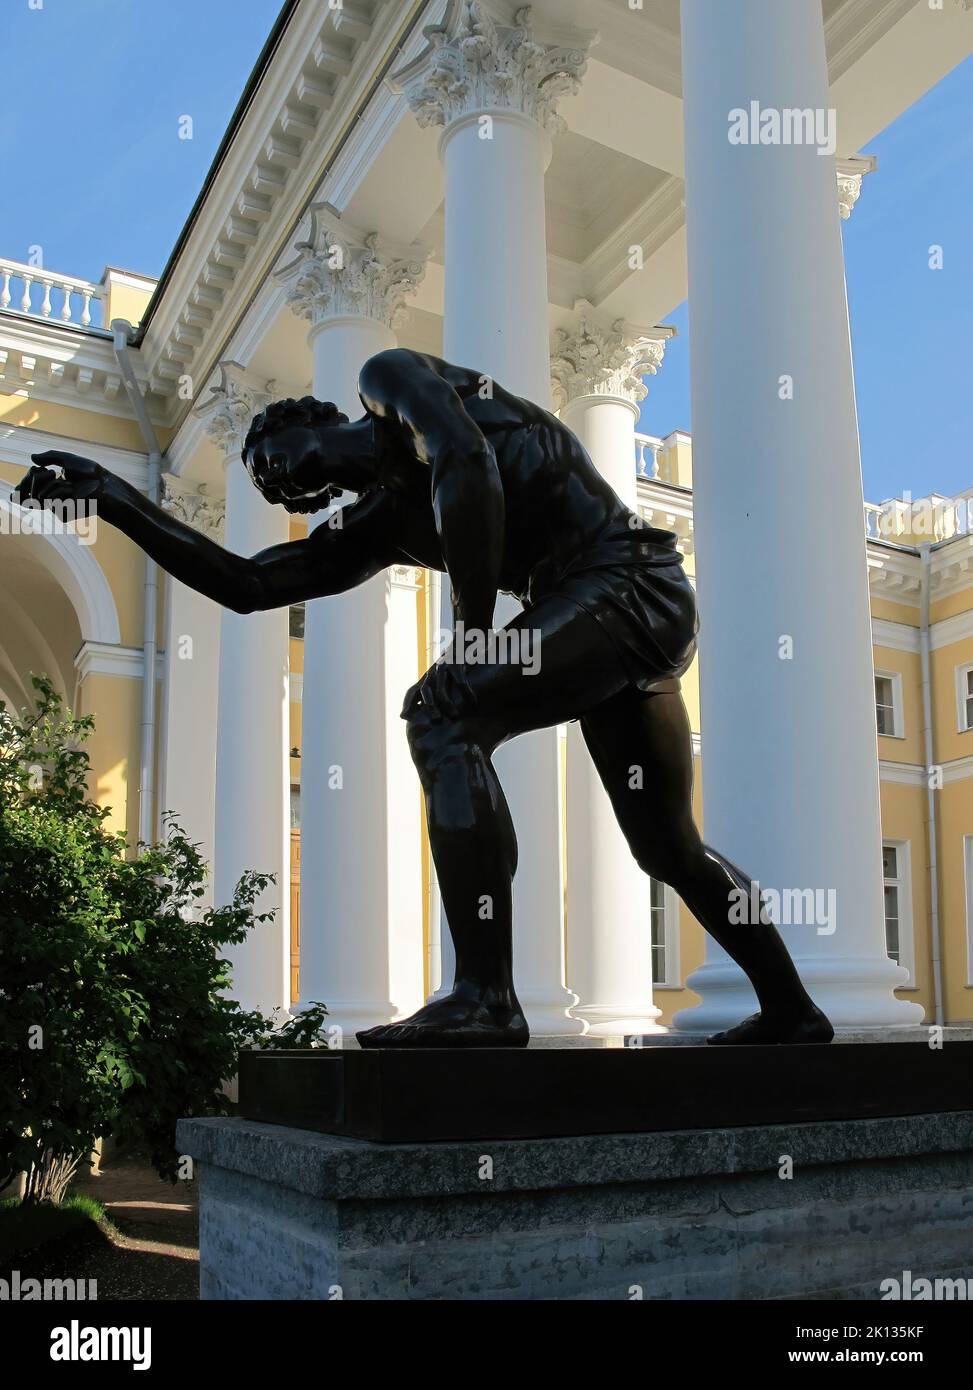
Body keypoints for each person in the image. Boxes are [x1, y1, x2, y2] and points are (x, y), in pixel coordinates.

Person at [16, 347, 834, 1048]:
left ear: (311, 418)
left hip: (625, 581)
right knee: (667, 849)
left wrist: (471, 636)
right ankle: (792, 1012)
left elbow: (466, 460)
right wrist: (114, 499)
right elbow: (249, 584)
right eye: (265, 483)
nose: (269, 479)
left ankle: (486, 997)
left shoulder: (390, 379)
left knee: (442, 713)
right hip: (615, 614)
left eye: (267, 454)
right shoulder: (383, 522)